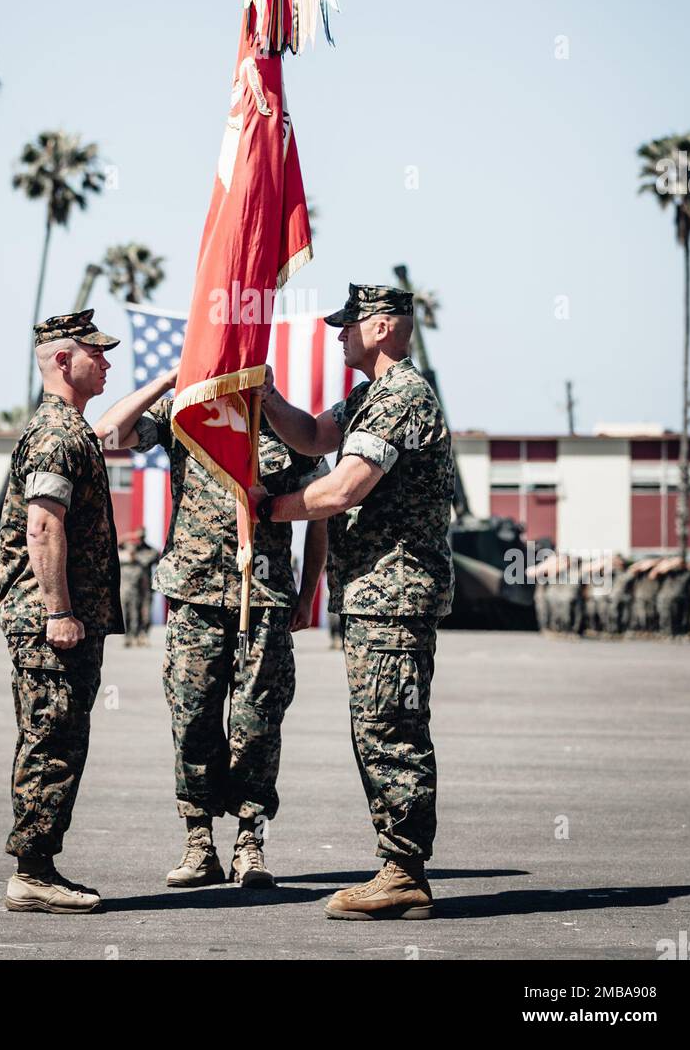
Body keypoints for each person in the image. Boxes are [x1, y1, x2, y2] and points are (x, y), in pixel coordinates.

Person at [251, 283, 455, 920]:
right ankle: (399, 868)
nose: (339, 334)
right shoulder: (370, 396)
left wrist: (271, 509)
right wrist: (266, 397)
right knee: (376, 724)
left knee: (391, 727)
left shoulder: (401, 398)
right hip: (374, 593)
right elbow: (313, 436)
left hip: (396, 592)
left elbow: (342, 488)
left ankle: (403, 871)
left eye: (350, 324)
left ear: (384, 328)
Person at [96, 366, 328, 889]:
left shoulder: (291, 429)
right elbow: (107, 434)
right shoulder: (188, 414)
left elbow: (320, 515)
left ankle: (250, 842)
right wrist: (167, 382)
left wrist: (309, 591)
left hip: (264, 598)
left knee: (258, 724)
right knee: (193, 718)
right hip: (195, 595)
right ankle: (198, 841)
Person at [0, 309, 123, 913]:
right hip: (53, 626)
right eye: (96, 353)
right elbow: (43, 526)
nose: (107, 362)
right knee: (51, 738)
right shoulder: (55, 434)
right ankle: (32, 872)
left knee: (60, 737)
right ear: (64, 361)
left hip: (66, 622)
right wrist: (59, 611)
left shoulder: (70, 429)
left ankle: (38, 864)